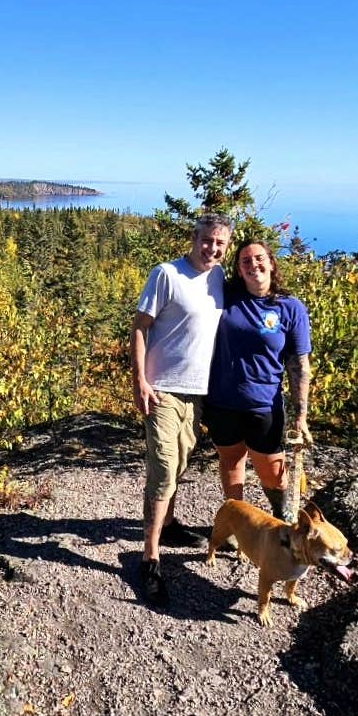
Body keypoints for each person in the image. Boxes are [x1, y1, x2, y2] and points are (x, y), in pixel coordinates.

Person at [132, 213, 233, 606]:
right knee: (162, 468)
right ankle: (150, 557)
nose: (212, 248)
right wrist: (139, 381)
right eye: (207, 240)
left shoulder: (220, 279)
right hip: (162, 389)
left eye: (220, 244)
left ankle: (169, 524)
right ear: (195, 238)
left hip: (198, 392)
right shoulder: (166, 274)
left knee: (179, 466)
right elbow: (139, 327)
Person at [205, 239, 312, 524]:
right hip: (221, 401)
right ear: (239, 270)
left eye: (259, 258)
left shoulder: (290, 308)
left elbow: (299, 365)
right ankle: (235, 524)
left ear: (272, 262)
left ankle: (284, 522)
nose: (254, 264)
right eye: (245, 261)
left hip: (263, 404)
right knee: (230, 463)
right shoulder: (226, 297)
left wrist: (301, 416)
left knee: (272, 471)